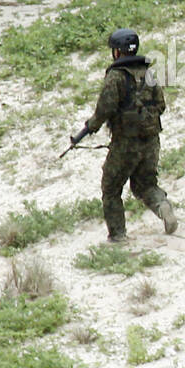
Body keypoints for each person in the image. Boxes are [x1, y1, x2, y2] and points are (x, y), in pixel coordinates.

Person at [74, 28, 177, 243]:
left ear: (117, 52)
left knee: (111, 188)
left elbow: (104, 109)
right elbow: (161, 105)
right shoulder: (147, 73)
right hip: (151, 141)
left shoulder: (116, 76)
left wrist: (89, 128)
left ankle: (118, 235)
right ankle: (163, 207)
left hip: (125, 144)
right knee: (145, 185)